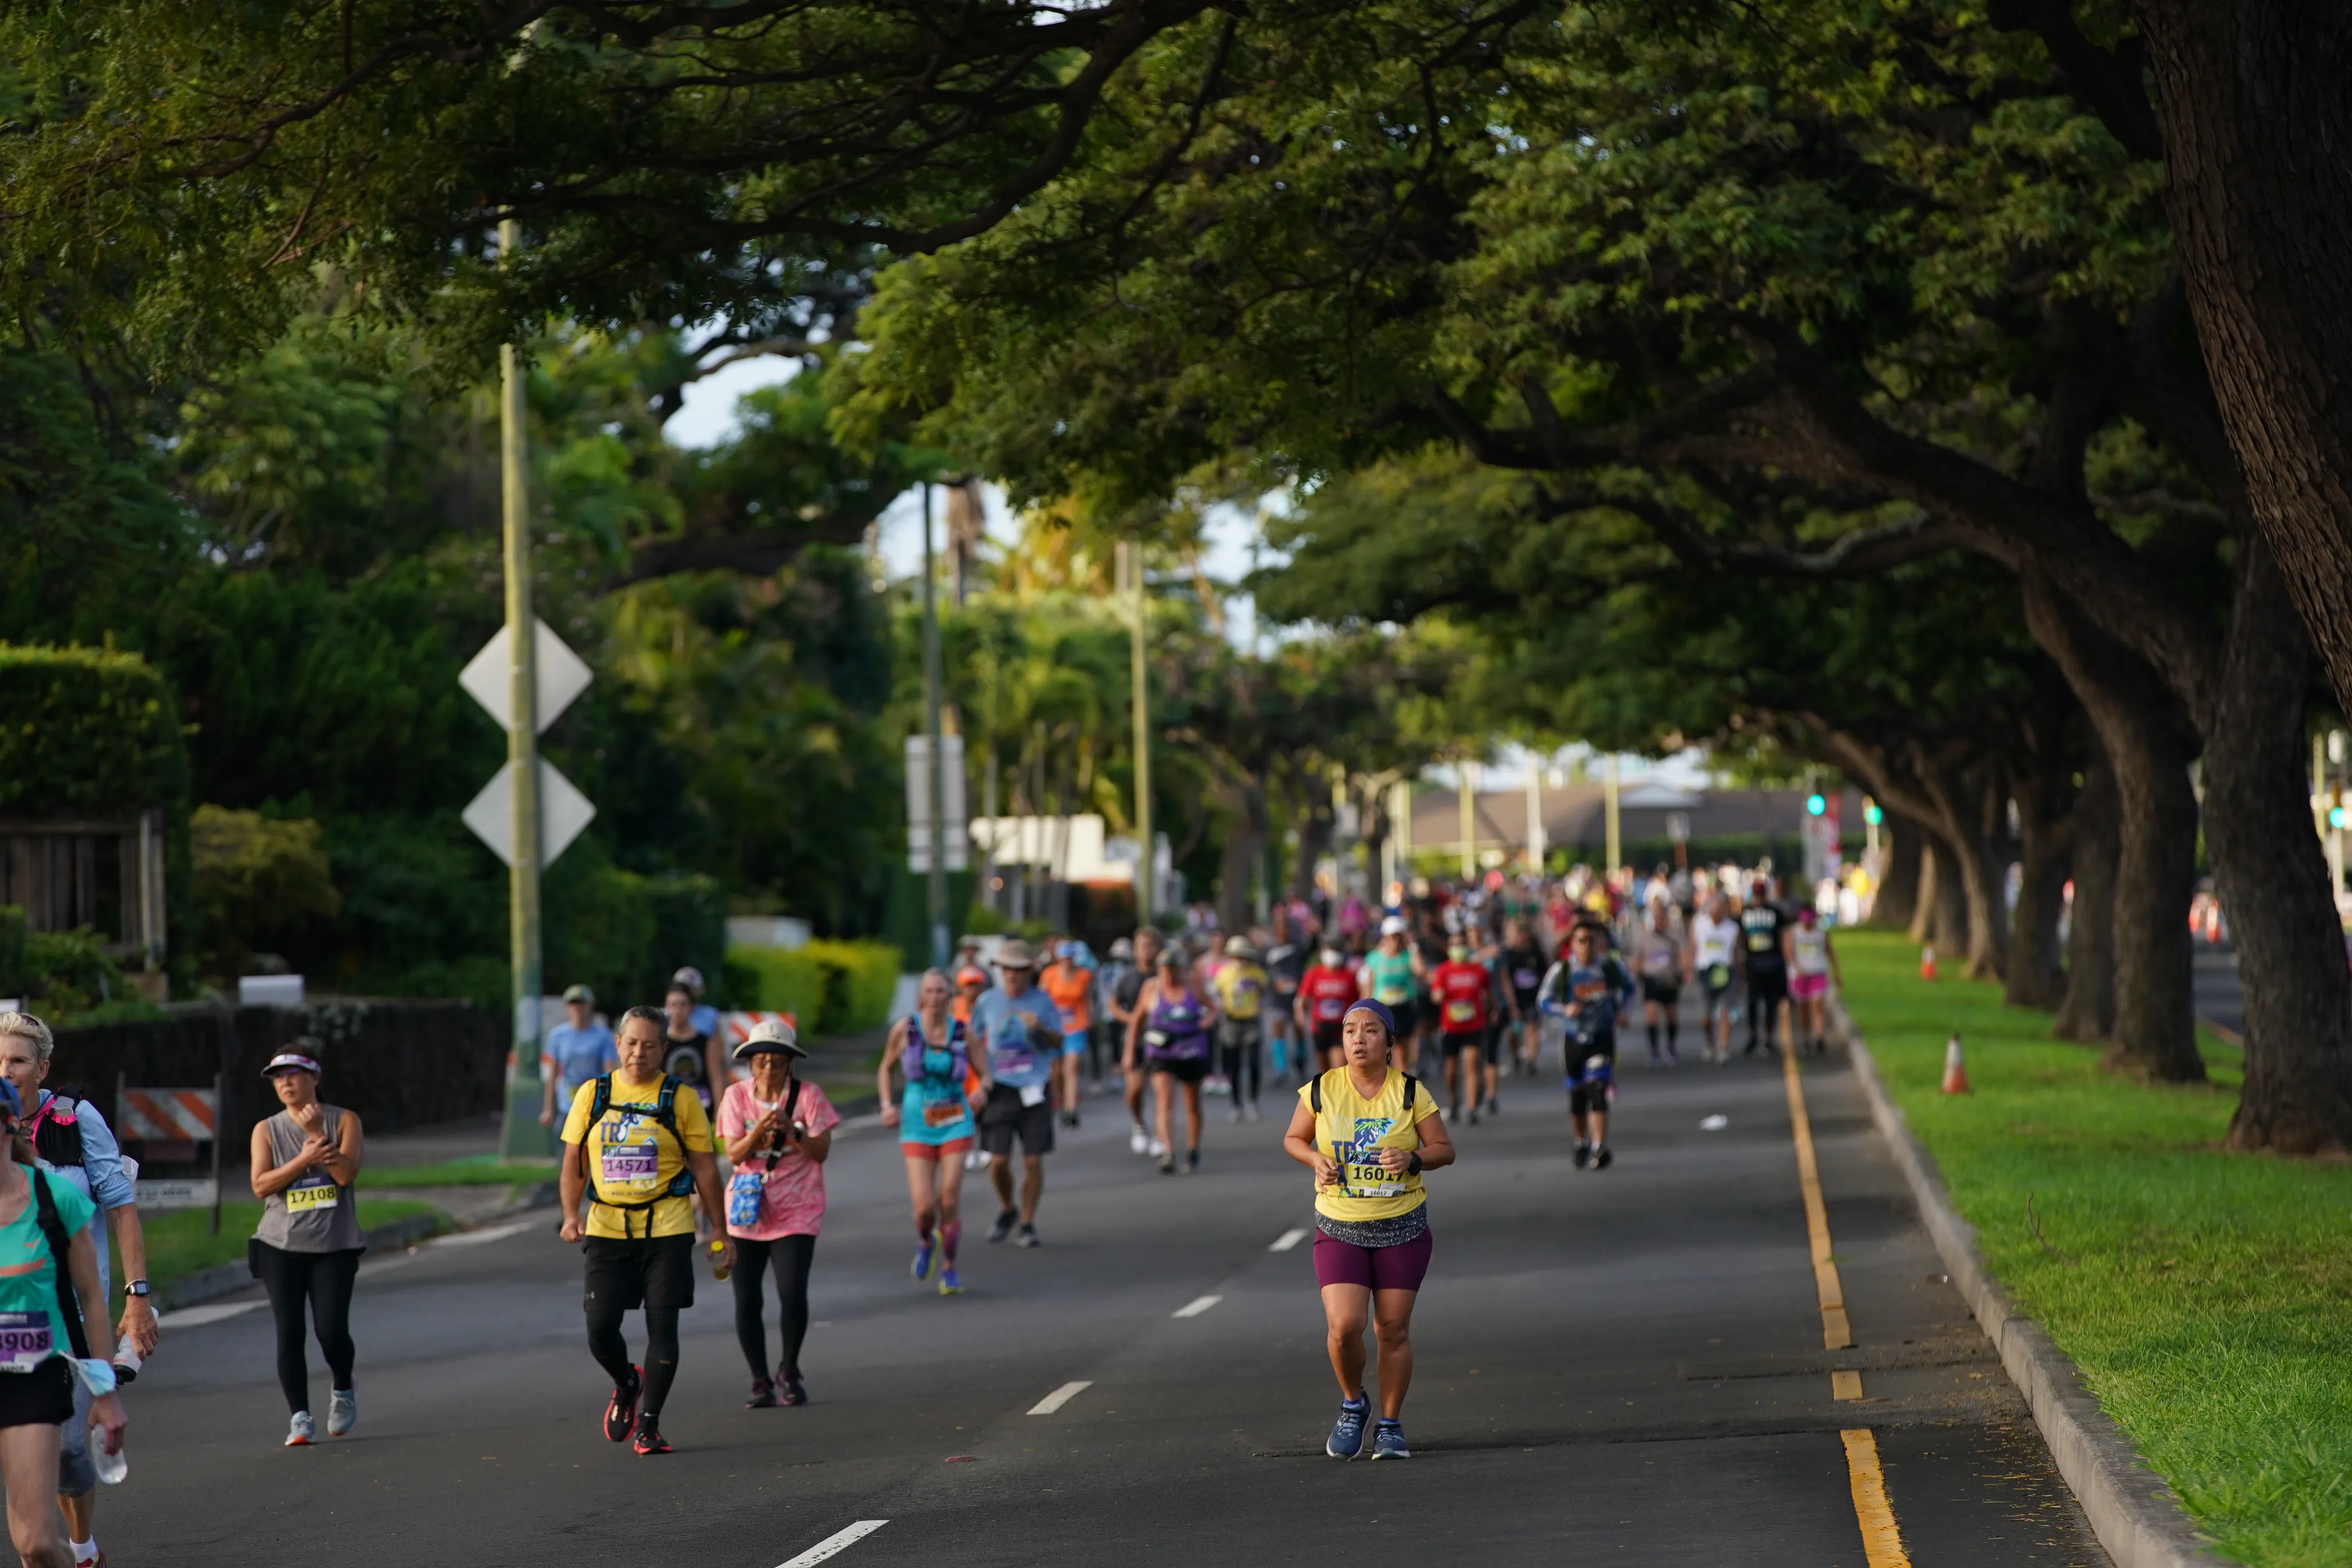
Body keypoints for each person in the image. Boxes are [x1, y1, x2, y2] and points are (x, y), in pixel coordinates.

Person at [0, 1015, 152, 1568]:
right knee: (32, 1523)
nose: (7, 1071)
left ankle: (80, 1545)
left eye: (17, 1060)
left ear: (42, 1067)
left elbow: (121, 1205)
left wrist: (138, 1297)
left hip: (65, 1315)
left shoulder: (74, 1120)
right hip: (8, 1327)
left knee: (66, 1450)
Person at [1281, 999, 1454, 1462]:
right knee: (1344, 1327)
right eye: (1350, 1030)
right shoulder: (1321, 1089)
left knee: (1392, 1328)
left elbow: (1444, 1148)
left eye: (1371, 1030)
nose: (1358, 1039)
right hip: (1340, 1225)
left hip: (1402, 1225)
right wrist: (1315, 1159)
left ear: (1391, 1042)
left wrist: (1413, 1158)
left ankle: (1391, 1425)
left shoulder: (1410, 1093)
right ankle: (1354, 1403)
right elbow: (1293, 1139)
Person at [558, 1006, 732, 1456]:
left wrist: (720, 1232)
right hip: (606, 1228)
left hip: (668, 1227)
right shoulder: (592, 1096)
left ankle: (650, 1423)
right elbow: (574, 1164)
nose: (639, 1053)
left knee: (663, 1329)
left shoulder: (681, 1099)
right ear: (617, 1044)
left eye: (649, 1045)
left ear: (663, 1049)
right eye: (631, 1043)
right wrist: (571, 1215)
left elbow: (706, 1170)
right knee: (600, 1328)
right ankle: (626, 1381)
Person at [718, 1019, 839, 1408]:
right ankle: (759, 1379)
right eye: (762, 1061)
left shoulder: (810, 1097)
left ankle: (789, 1368)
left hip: (797, 1208)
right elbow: (734, 1154)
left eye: (778, 1061)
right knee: (748, 1300)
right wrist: (759, 1134)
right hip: (747, 1210)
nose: (769, 1069)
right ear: (750, 1064)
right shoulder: (735, 1097)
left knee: (791, 1291)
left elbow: (821, 1152)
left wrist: (794, 1132)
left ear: (790, 1064)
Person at [247, 1047, 365, 1447]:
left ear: (315, 1077)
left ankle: (343, 1388)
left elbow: (346, 1176)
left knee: (331, 1329)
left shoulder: (344, 1121)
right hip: (280, 1244)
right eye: (278, 1077)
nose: (285, 1083)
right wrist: (302, 1161)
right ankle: (300, 1417)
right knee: (289, 1330)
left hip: (334, 1244)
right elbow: (261, 1185)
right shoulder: (267, 1129)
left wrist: (316, 1136)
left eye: (294, 1074)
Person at [878, 970, 989, 1296]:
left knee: (949, 1199)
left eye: (942, 991)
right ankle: (927, 1240)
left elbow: (986, 1072)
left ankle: (951, 1267)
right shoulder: (905, 1029)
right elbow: (885, 1067)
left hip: (956, 1120)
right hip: (917, 1124)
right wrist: (887, 1104)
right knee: (925, 1207)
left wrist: (983, 1089)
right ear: (922, 996)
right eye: (930, 991)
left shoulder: (963, 1032)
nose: (936, 997)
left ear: (950, 995)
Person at [969, 939, 1062, 1247]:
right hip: (1000, 1089)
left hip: (1035, 1088)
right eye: (1008, 970)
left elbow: (1058, 1042)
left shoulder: (1043, 1002)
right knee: (998, 1161)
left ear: (1030, 971)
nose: (1013, 976)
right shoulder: (988, 1001)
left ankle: (1027, 1222)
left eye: (1020, 970)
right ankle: (1008, 1208)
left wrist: (1040, 1030)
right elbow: (971, 1042)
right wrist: (981, 1078)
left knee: (1033, 1161)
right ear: (1000, 971)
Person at [1540, 920, 1635, 1170]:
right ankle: (1581, 1141)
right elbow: (1544, 1001)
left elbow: (1630, 988)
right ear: (1573, 944)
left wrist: (1623, 1011)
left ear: (1599, 943)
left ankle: (1599, 1146)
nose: (1587, 946)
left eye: (1591, 940)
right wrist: (1565, 1009)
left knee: (1598, 1089)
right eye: (1581, 941)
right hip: (1573, 1039)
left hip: (1602, 1037)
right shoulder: (1562, 971)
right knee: (1577, 1096)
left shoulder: (1609, 967)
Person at [1133, 945, 1215, 1173]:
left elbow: (1213, 1009)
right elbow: (1136, 1020)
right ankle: (1168, 1151)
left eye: (1174, 970)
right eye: (1165, 970)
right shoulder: (1151, 988)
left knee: (1192, 1102)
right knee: (1164, 1099)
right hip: (1162, 1051)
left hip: (1191, 1049)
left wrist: (1208, 1021)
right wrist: (1129, 1052)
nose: (1169, 975)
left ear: (1182, 970)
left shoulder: (1193, 985)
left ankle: (1193, 1148)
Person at [1107, 930, 1163, 1157]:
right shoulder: (1128, 978)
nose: (1146, 950)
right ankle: (1139, 1124)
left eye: (1150, 945)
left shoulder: (1164, 976)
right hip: (1135, 1040)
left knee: (1162, 1091)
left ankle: (1161, 1135)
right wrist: (1131, 1018)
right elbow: (1113, 1006)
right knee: (1135, 1090)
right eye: (1142, 946)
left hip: (1161, 1041)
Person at [1426, 942, 1492, 1124]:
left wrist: (1493, 1008)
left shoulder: (1478, 970)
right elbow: (1435, 994)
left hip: (1474, 1024)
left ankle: (1471, 1109)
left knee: (1471, 1064)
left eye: (1461, 944)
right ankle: (1454, 1099)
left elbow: (1487, 992)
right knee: (1451, 1069)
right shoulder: (1443, 970)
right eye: (1454, 945)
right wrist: (1438, 995)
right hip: (1451, 1026)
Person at [540, 985, 619, 1126]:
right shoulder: (558, 1036)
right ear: (567, 1007)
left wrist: (611, 1104)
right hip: (567, 1106)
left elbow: (610, 1072)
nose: (578, 1008)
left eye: (582, 1003)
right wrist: (548, 1109)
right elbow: (551, 1074)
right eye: (573, 1003)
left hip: (595, 1104)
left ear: (591, 1005)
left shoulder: (603, 1035)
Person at [1039, 942, 1097, 1131]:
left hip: (1076, 1025)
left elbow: (1088, 999)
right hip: (1054, 1027)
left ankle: (1071, 1109)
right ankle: (1059, 1101)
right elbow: (1041, 999)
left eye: (1070, 958)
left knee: (1071, 1067)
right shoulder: (1049, 975)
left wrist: (1090, 1019)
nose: (1067, 962)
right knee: (1056, 1070)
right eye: (1064, 958)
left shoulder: (1083, 976)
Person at [1211, 936, 1269, 1122]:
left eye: (1242, 956)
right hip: (1231, 1022)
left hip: (1251, 1021)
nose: (1239, 961)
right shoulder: (1223, 973)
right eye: (1236, 956)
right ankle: (1236, 1104)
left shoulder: (1257, 973)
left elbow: (1264, 991)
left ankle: (1253, 1100)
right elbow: (1215, 994)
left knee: (1253, 1062)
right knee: (1233, 1065)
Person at [1630, 900, 1690, 1065]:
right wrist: (1633, 977)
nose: (1659, 921)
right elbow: (1637, 960)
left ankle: (1671, 1046)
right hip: (1651, 979)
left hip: (1669, 979)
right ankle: (1654, 1049)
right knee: (1651, 1014)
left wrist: (1685, 971)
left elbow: (1682, 955)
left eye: (1661, 917)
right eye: (1656, 917)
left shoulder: (1674, 936)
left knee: (1671, 1015)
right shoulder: (1645, 937)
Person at [1358, 917, 1422, 1071]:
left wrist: (1413, 946)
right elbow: (1368, 986)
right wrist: (1364, 1011)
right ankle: (1393, 1087)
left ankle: (1401, 1087)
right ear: (1385, 938)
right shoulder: (1374, 958)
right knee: (1387, 1051)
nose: (1396, 941)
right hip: (1383, 1010)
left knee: (1402, 1052)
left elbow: (1421, 970)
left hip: (1405, 1008)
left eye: (1399, 937)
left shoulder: (1407, 956)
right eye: (1393, 937)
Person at [1740, 877, 1791, 1057]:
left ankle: (1769, 1038)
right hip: (1753, 964)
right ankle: (1753, 1035)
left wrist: (1787, 960)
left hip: (1772, 964)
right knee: (1752, 1002)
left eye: (1761, 894)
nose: (1759, 898)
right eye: (1756, 894)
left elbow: (1784, 936)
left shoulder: (1776, 913)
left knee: (1771, 1004)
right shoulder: (1745, 913)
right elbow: (1741, 938)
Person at [1692, 892, 1741, 1064]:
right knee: (1706, 1015)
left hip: (1726, 972)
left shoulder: (1732, 928)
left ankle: (1723, 1047)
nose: (1716, 915)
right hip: (1705, 971)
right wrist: (1688, 969)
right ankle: (1709, 1042)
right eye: (1713, 911)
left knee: (1725, 1012)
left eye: (1719, 911)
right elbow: (1693, 947)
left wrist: (1739, 975)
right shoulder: (1699, 924)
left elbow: (1736, 953)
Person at [1788, 907, 1843, 1056]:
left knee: (1818, 1005)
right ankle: (1806, 1037)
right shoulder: (1794, 932)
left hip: (1818, 973)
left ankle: (1819, 1036)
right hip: (1801, 976)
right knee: (1803, 1009)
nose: (1807, 925)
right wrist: (1796, 966)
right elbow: (1789, 952)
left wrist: (1837, 973)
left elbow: (1830, 952)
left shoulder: (1821, 933)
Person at [1497, 919, 1547, 1078]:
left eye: (1523, 934)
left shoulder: (1536, 953)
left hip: (1533, 998)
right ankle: (1516, 1056)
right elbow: (1504, 978)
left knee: (1532, 1027)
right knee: (1513, 1032)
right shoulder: (1508, 955)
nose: (1521, 938)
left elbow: (1545, 972)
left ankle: (1531, 1061)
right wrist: (1511, 1003)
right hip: (1514, 1000)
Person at [1263, 914, 1309, 1087]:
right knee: (1278, 1030)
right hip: (1277, 999)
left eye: (1286, 926)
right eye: (1280, 926)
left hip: (1296, 997)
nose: (1283, 930)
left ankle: (1300, 1064)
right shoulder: (1269, 950)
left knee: (1299, 1030)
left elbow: (1308, 959)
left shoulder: (1297, 949)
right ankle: (1281, 1070)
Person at [1297, 944, 1358, 1072]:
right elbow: (1302, 998)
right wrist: (1301, 1016)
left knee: (1339, 1070)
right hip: (1320, 1028)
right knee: (1324, 1072)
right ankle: (1325, 1091)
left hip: (1341, 1028)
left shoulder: (1349, 975)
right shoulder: (1314, 973)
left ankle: (1339, 1091)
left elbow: (1357, 1000)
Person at [672, 966, 721, 1039]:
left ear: (701, 990)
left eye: (692, 989)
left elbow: (717, 1045)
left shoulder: (711, 1016)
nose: (688, 994)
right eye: (683, 990)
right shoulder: (664, 1015)